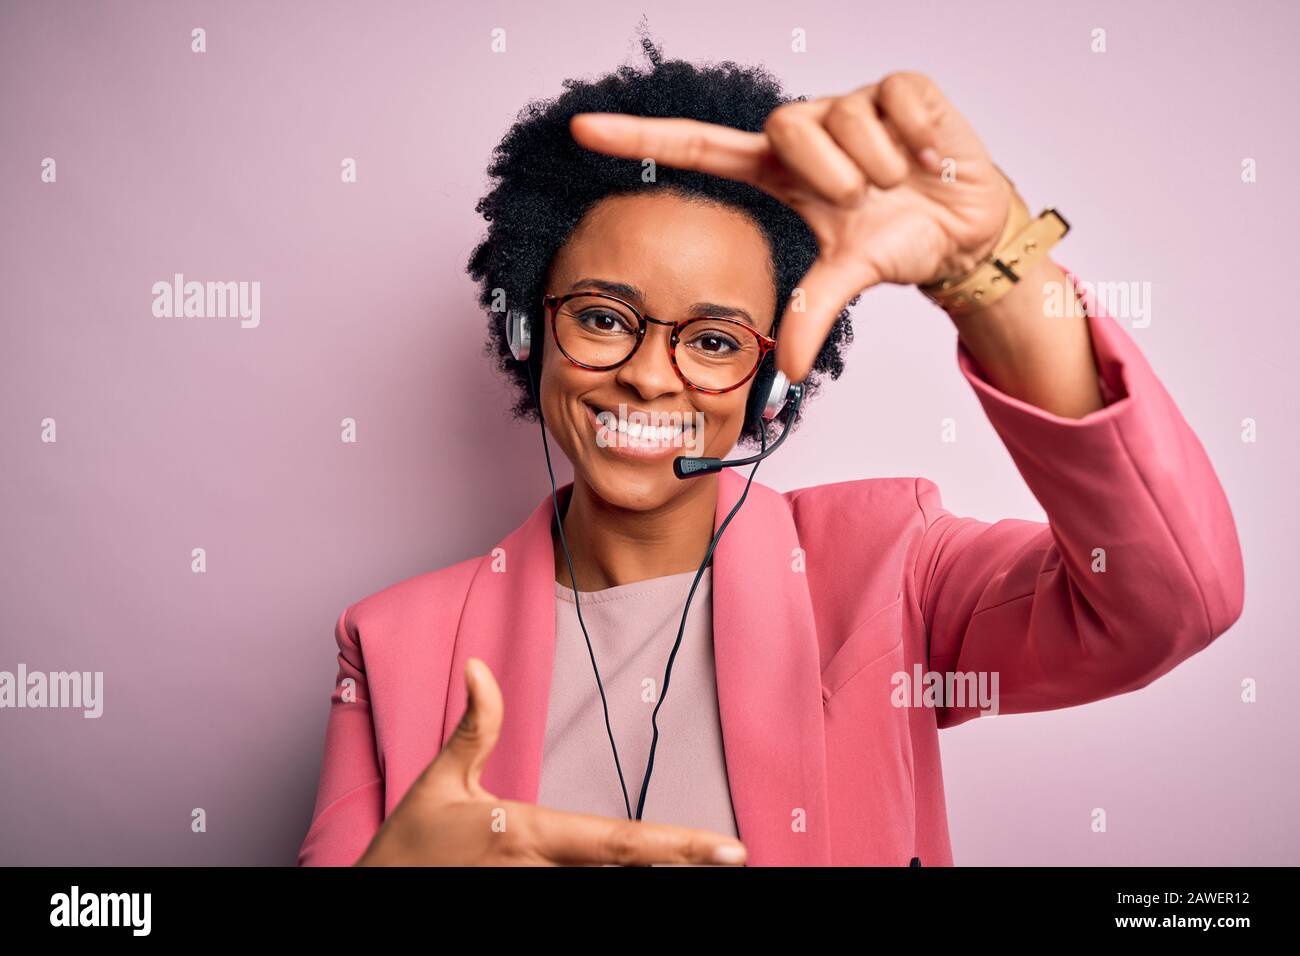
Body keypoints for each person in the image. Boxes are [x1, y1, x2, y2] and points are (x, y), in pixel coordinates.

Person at [296, 40, 1244, 867]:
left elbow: (1172, 602)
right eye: (601, 319)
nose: (650, 378)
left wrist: (991, 274)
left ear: (773, 380)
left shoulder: (890, 573)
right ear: (524, 332)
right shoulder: (389, 645)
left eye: (713, 340)